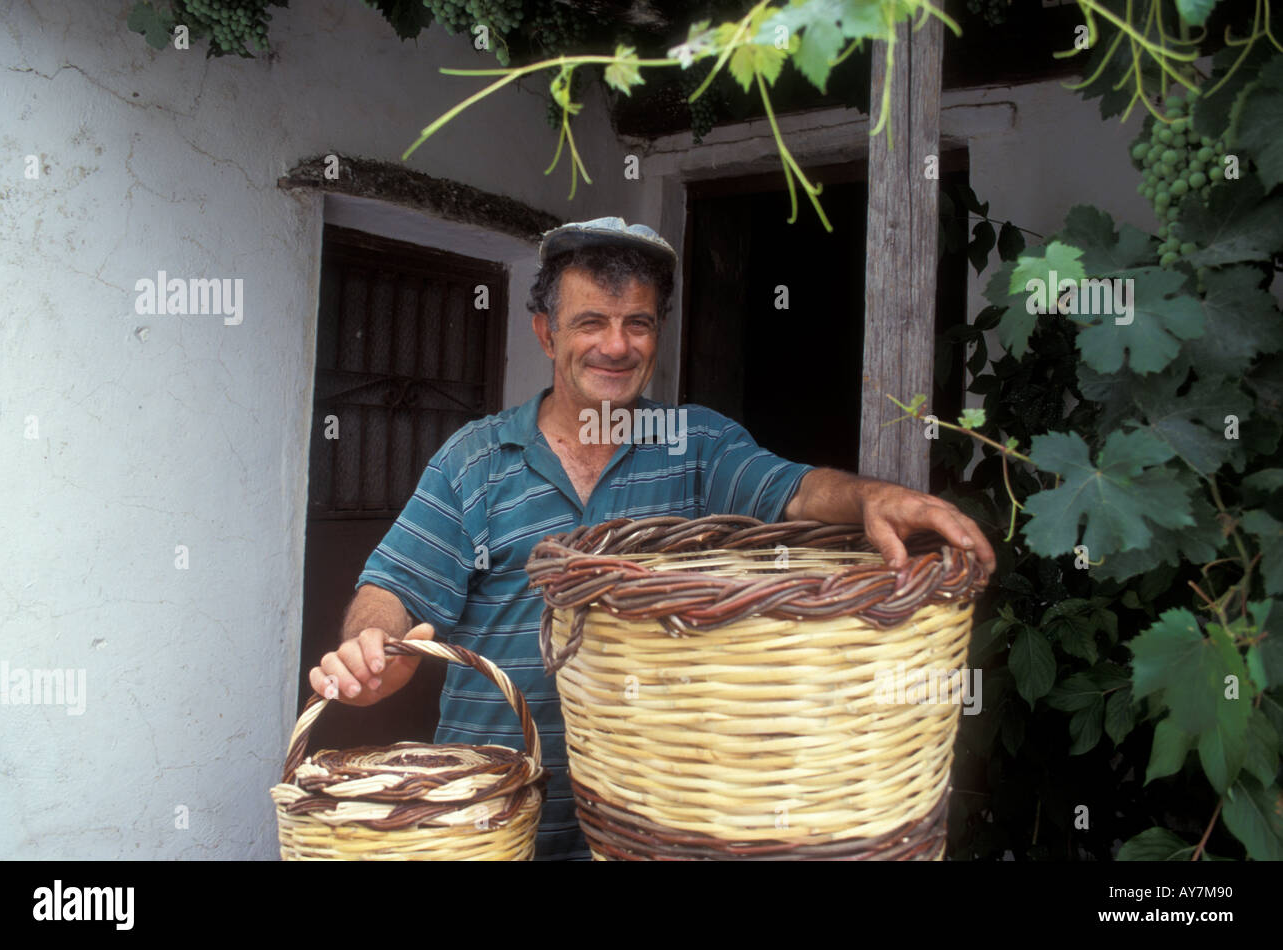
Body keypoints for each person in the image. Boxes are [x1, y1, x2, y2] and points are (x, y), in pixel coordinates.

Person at [307, 216, 997, 860]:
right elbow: (392, 588)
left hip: (652, 829)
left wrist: (873, 496)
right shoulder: (475, 460)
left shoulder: (694, 443)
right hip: (492, 819)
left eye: (637, 323)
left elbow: (790, 490)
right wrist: (371, 649)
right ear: (547, 334)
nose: (616, 345)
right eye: (591, 323)